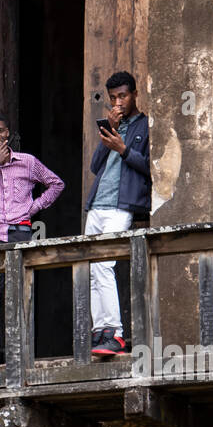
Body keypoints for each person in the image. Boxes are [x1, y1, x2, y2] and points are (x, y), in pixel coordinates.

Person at [0, 112, 64, 369]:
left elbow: (56, 184)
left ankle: (20, 351)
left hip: (20, 232)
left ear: (8, 132)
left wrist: (32, 209)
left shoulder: (27, 162)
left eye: (1, 131)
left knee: (19, 290)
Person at [84, 71, 151, 356]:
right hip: (97, 204)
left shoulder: (146, 125)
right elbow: (95, 166)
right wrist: (107, 136)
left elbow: (151, 168)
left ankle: (115, 333)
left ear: (135, 94)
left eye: (122, 96)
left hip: (121, 206)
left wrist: (123, 149)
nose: (118, 102)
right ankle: (100, 332)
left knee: (104, 265)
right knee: (90, 269)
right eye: (113, 98)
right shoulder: (113, 125)